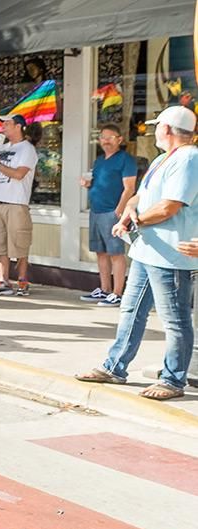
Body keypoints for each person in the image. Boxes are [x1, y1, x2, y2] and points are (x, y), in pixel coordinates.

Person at [75, 106, 198, 401]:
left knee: (176, 320)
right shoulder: (161, 159)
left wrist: (137, 220)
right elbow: (140, 194)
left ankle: (173, 380)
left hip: (170, 254)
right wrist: (129, 212)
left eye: (157, 127)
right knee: (131, 311)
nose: (154, 131)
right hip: (146, 251)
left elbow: (170, 206)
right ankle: (114, 367)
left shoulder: (189, 158)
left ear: (166, 129)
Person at [80, 124, 138, 306]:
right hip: (96, 211)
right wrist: (88, 185)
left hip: (112, 212)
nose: (105, 141)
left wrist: (119, 211)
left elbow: (129, 188)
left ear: (119, 139)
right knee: (101, 252)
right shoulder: (99, 160)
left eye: (110, 137)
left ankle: (117, 293)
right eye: (103, 137)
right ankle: (104, 290)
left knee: (116, 253)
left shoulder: (126, 159)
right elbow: (100, 183)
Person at [0, 113, 38, 296]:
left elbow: (19, 174)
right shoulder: (3, 147)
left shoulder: (27, 149)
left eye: (7, 124)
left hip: (16, 202)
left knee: (19, 242)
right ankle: (3, 280)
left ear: (18, 126)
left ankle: (22, 280)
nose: (3, 127)